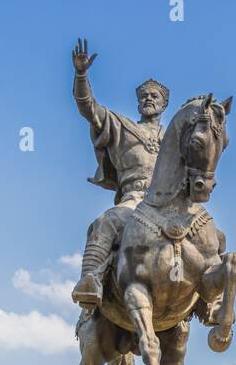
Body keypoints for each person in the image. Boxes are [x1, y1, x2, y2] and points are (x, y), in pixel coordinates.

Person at [68, 38, 169, 308]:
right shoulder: (121, 126)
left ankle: (213, 300)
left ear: (164, 104)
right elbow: (88, 108)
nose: (149, 99)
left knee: (215, 237)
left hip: (170, 204)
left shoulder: (174, 138)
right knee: (106, 222)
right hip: (136, 200)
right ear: (138, 104)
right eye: (144, 97)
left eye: (154, 96)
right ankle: (90, 279)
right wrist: (81, 74)